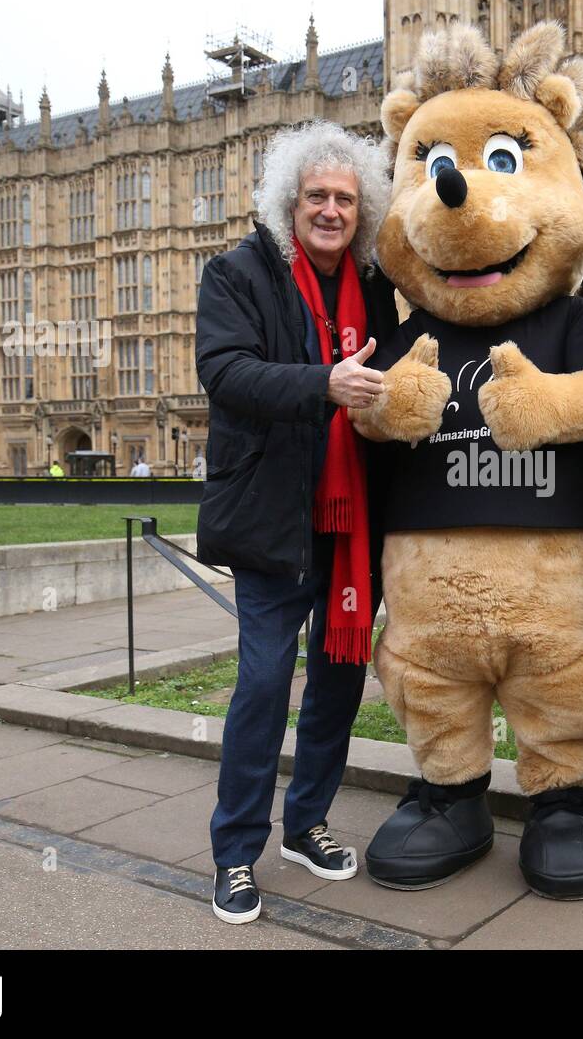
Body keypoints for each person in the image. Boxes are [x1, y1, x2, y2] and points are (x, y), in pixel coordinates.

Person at [195, 120, 398, 924]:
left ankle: (306, 821)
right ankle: (235, 851)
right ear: (290, 200)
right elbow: (226, 371)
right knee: (265, 681)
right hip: (274, 515)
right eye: (316, 195)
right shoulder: (238, 273)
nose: (330, 210)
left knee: (341, 676)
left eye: (345, 199)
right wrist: (325, 384)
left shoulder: (374, 284)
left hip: (352, 522)